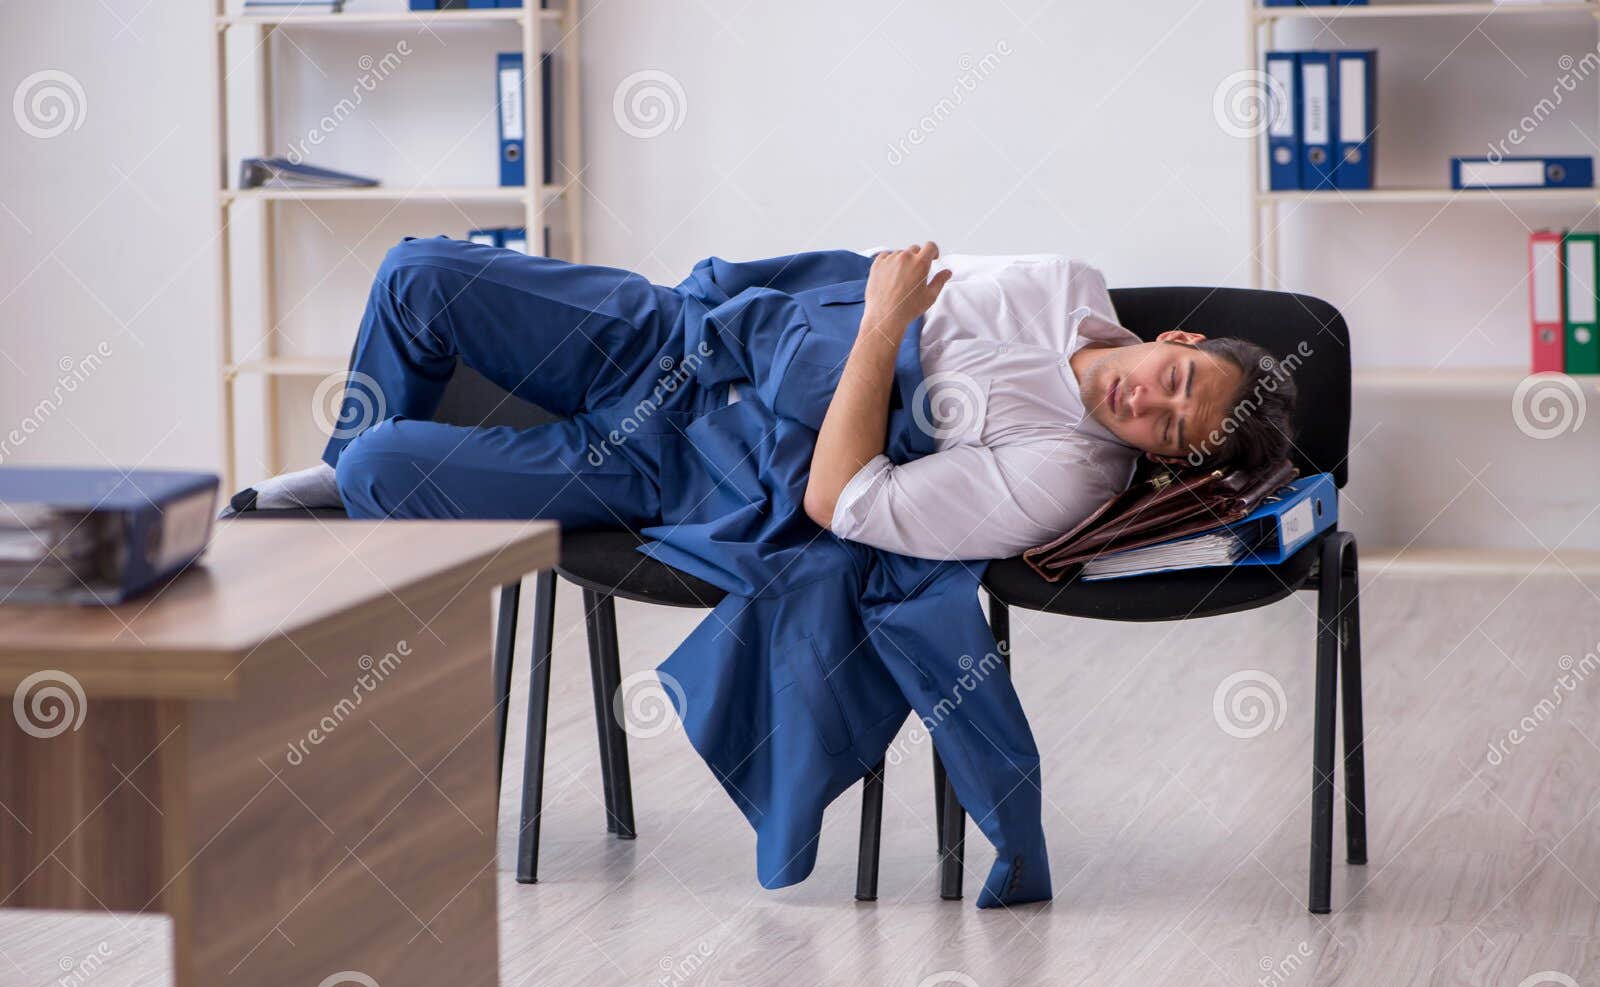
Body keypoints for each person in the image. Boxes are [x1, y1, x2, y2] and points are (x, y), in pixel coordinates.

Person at [222, 238, 1296, 563]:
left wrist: (883, 336)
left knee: (381, 470)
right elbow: (887, 268)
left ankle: (346, 503)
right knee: (417, 277)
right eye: (1178, 381)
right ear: (1180, 339)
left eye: (1170, 429)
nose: (1148, 403)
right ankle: (336, 517)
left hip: (683, 461)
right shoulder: (1063, 283)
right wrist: (874, 319)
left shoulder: (1064, 472)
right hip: (680, 335)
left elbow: (847, 500)